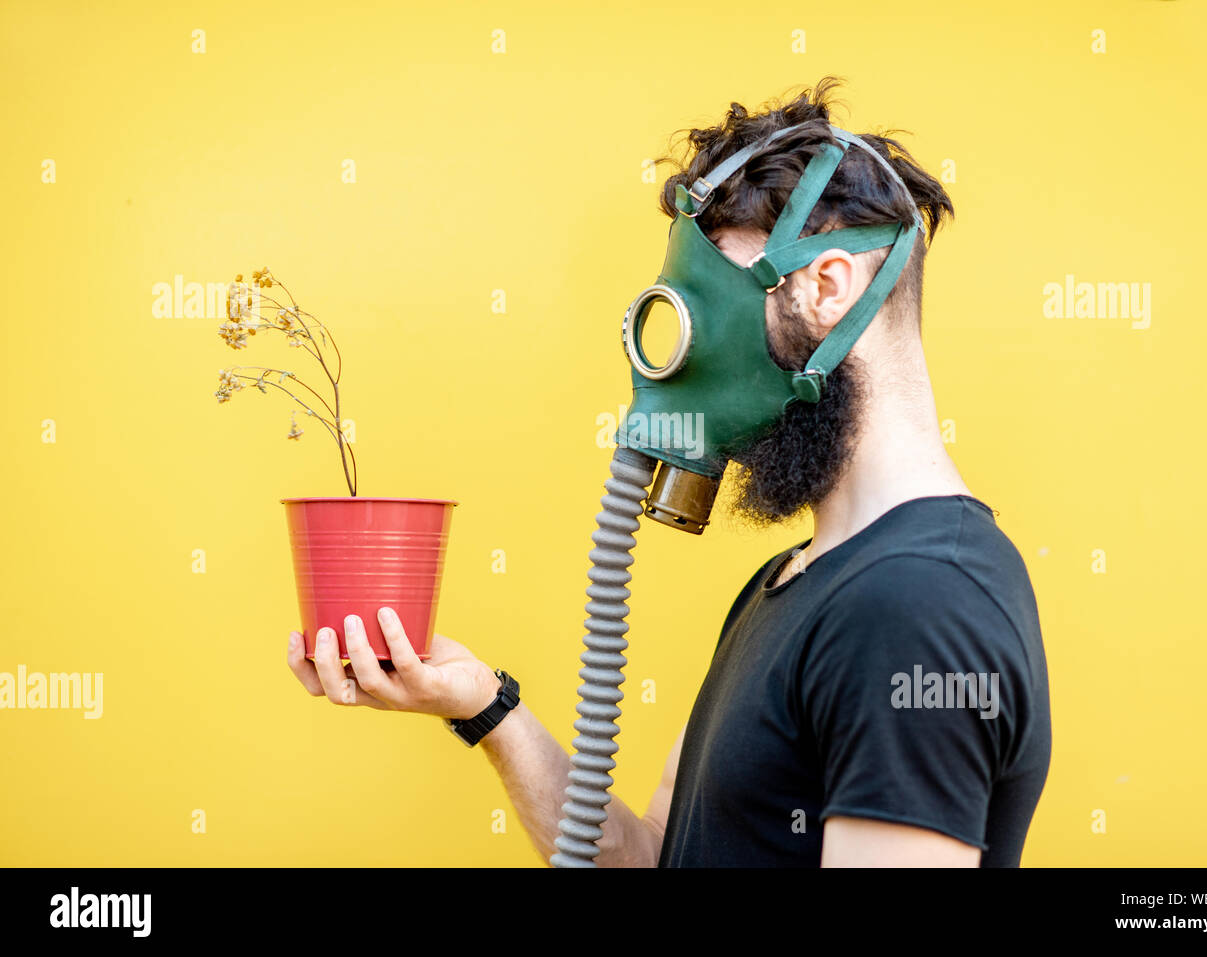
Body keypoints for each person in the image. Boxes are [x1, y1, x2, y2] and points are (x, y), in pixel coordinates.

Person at [287, 77, 1051, 867]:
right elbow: (652, 854)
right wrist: (484, 704)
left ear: (828, 286)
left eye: (702, 308)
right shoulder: (796, 583)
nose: (679, 364)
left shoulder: (915, 606)